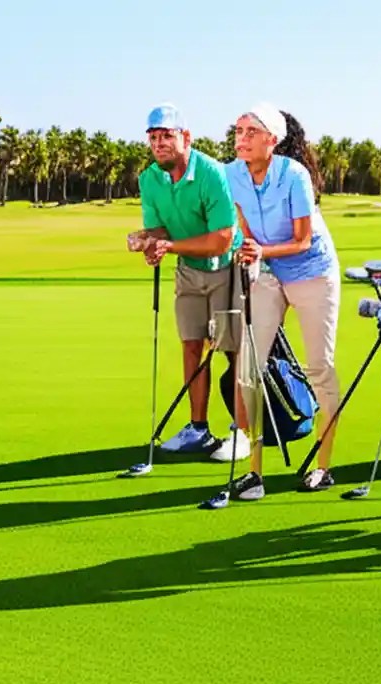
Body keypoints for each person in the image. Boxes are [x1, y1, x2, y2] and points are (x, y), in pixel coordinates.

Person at [221, 104, 343, 500]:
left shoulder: (293, 174)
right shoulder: (231, 174)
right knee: (247, 367)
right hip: (270, 272)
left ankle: (323, 466)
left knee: (318, 366)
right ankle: (253, 472)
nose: (242, 138)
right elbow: (241, 225)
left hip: (312, 270)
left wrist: (260, 251)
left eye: (251, 132)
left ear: (272, 140)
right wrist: (247, 252)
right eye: (238, 130)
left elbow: (303, 240)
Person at [134, 102, 250, 463]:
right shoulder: (149, 179)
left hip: (226, 268)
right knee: (191, 347)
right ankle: (198, 429)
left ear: (186, 137)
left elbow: (220, 237)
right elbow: (159, 229)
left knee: (233, 350)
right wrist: (147, 241)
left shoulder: (211, 173)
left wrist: (169, 245)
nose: (159, 144)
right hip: (188, 270)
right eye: (153, 137)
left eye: (167, 135)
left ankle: (241, 433)